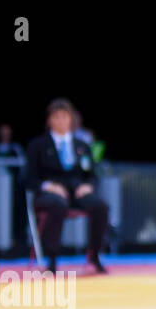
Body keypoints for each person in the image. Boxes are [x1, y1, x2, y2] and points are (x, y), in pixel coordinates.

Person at [23, 98, 108, 274]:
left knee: (100, 206)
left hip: (77, 193)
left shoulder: (82, 146)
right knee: (58, 204)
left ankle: (95, 255)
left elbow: (92, 175)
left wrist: (87, 186)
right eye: (57, 117)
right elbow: (28, 178)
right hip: (49, 195)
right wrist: (48, 185)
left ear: (71, 119)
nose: (61, 121)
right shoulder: (37, 146)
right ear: (49, 120)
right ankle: (52, 260)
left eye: (64, 116)